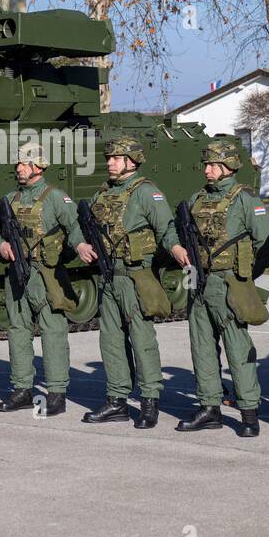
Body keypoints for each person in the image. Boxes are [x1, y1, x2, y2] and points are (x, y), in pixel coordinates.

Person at [73, 135, 184, 429]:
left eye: (115, 158)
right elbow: (83, 226)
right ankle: (117, 400)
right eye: (108, 158)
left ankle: (149, 401)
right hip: (108, 277)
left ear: (131, 161)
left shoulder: (147, 192)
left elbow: (166, 227)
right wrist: (81, 245)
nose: (109, 162)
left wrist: (175, 249)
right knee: (110, 340)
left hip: (137, 276)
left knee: (142, 339)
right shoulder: (102, 194)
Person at [173, 138, 269, 439]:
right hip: (197, 280)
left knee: (237, 347)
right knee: (201, 345)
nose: (207, 169)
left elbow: (265, 242)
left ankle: (249, 412)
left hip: (228, 282)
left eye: (213, 165)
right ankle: (209, 407)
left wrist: (245, 276)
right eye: (206, 164)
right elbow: (181, 233)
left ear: (228, 167)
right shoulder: (197, 198)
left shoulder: (246, 199)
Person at [0, 141, 80, 417]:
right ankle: (22, 389)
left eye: (24, 164)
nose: (18, 168)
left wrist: (81, 247)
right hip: (16, 274)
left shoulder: (55, 198)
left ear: (38, 167)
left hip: (45, 274)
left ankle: (56, 392)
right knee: (17, 331)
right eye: (18, 164)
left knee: (53, 333)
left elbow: (74, 228)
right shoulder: (9, 200)